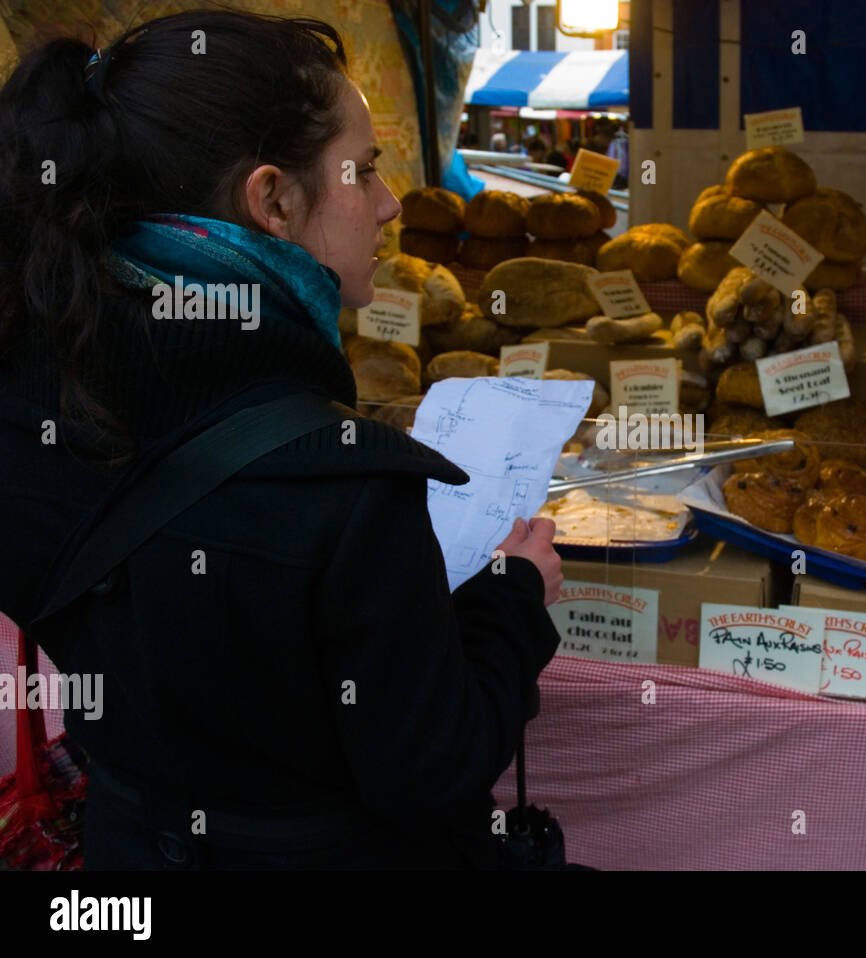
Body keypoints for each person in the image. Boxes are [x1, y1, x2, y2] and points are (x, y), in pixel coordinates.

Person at [0, 11, 563, 869]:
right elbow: (433, 768)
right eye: (365, 171)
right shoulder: (341, 483)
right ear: (272, 200)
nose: (389, 204)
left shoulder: (32, 407)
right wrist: (512, 601)